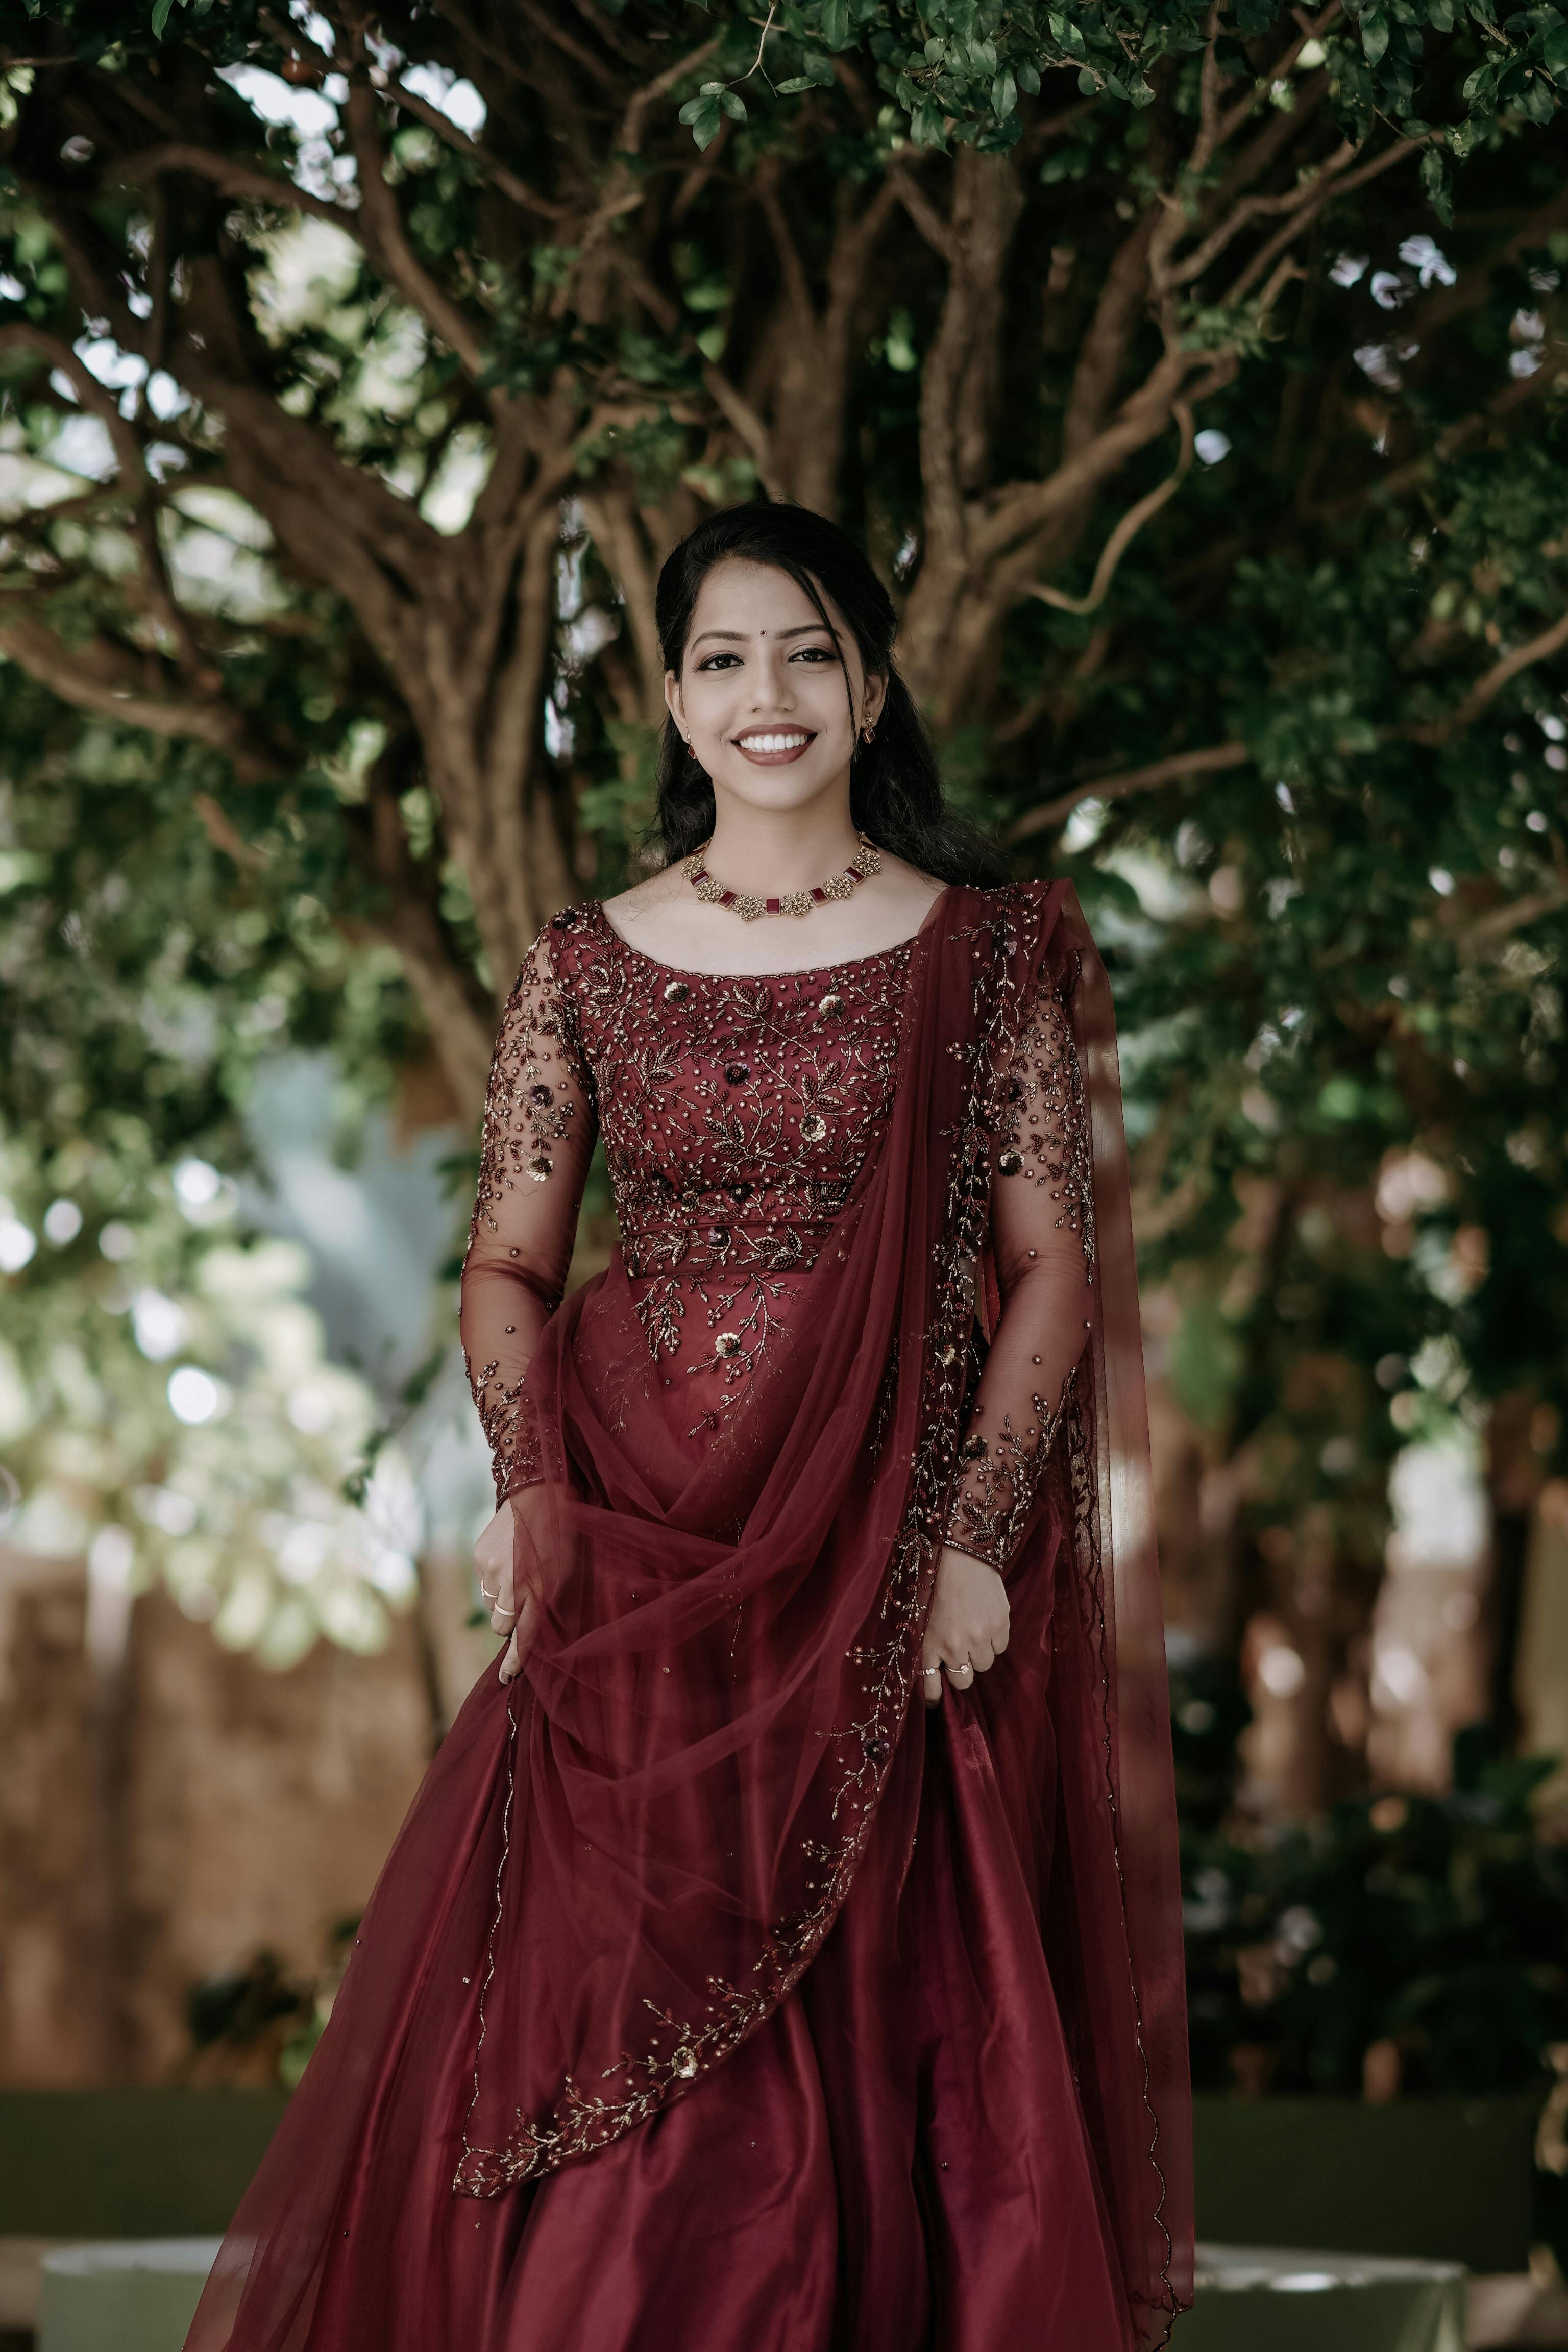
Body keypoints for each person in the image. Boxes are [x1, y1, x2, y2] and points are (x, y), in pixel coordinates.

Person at [184, 501, 1192, 2351]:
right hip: (640, 1574)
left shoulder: (989, 954)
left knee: (891, 2035)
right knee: (604, 2063)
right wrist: (529, 1490)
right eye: (724, 659)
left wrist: (971, 1533)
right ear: (670, 699)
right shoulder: (583, 961)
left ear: (872, 682)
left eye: (809, 651)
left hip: (884, 1556)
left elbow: (1055, 1268)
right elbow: (505, 1266)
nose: (770, 695)